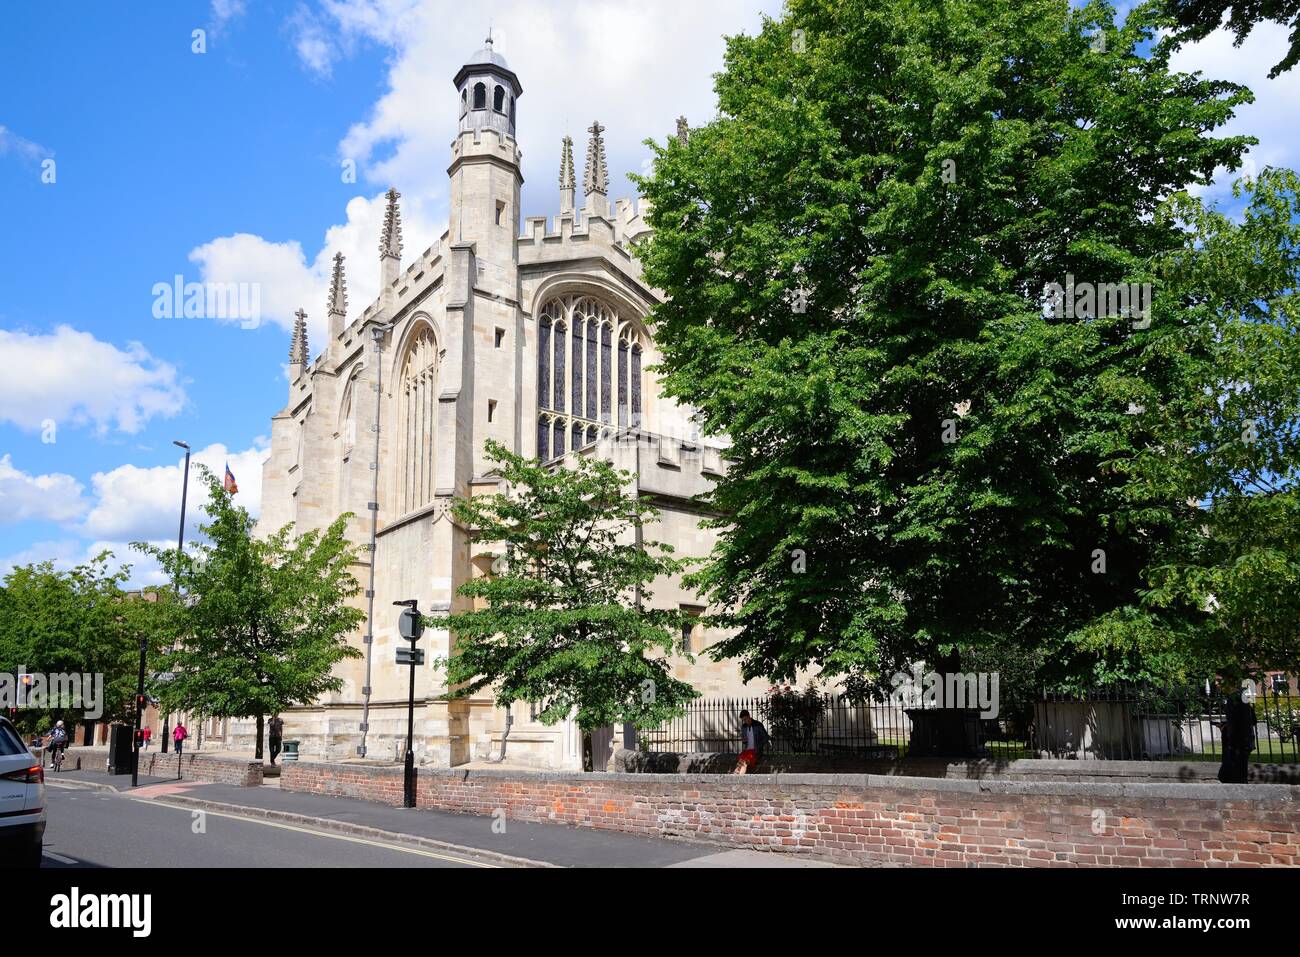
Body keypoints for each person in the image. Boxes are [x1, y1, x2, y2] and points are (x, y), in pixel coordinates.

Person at [733, 709, 769, 774]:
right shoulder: (744, 727)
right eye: (743, 720)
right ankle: (735, 777)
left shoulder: (758, 725)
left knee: (744, 762)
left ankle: (739, 779)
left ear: (749, 716)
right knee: (740, 763)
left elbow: (766, 737)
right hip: (747, 751)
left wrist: (759, 746)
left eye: (745, 719)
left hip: (756, 751)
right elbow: (745, 740)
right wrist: (744, 740)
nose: (745, 721)